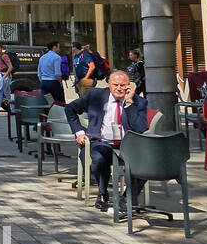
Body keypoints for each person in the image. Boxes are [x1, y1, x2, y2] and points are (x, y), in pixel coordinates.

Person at [65, 70, 149, 214]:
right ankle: (103, 193)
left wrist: (129, 103)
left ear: (129, 86)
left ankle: (127, 198)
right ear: (109, 85)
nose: (119, 88)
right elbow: (70, 109)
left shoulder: (138, 101)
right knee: (97, 159)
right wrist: (79, 133)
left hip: (127, 146)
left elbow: (140, 128)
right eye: (115, 84)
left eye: (123, 85)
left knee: (148, 161)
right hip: (100, 142)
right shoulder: (96, 95)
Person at [38, 41, 66, 106]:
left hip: (44, 82)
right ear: (54, 47)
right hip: (54, 82)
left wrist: (42, 82)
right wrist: (60, 82)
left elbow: (39, 74)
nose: (59, 49)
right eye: (58, 47)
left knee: (46, 103)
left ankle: (47, 115)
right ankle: (59, 115)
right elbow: (57, 73)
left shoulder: (42, 57)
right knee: (59, 103)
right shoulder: (57, 57)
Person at [0, 44, 14, 114]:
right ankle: (12, 109)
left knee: (0, 92)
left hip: (4, 76)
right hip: (3, 75)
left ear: (2, 48)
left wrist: (5, 76)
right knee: (6, 93)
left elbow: (10, 67)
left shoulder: (4, 56)